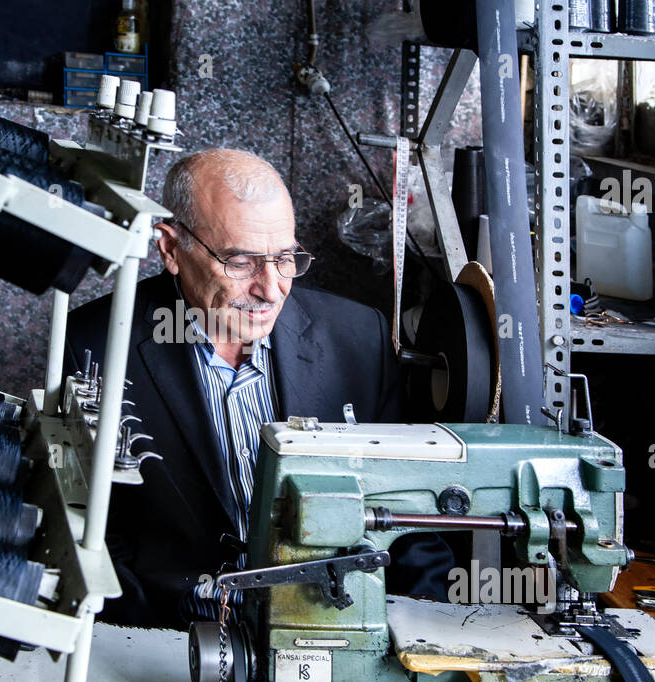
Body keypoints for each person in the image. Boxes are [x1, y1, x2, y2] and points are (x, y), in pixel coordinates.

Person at [65, 148, 451, 627]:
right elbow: (90, 530)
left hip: (337, 623)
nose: (272, 289)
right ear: (170, 248)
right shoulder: (93, 344)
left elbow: (411, 519)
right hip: (166, 636)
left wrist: (423, 635)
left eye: (286, 258)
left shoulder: (359, 339)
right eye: (241, 262)